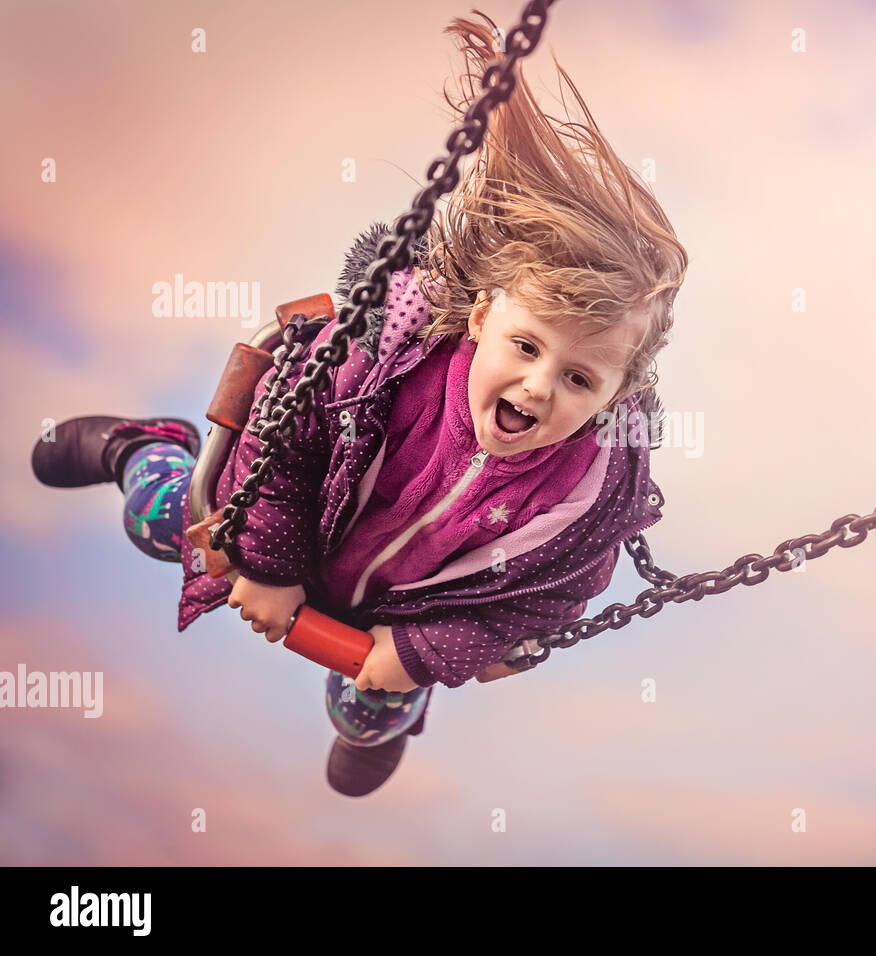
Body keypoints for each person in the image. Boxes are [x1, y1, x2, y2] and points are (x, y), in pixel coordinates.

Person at [29, 12, 687, 797]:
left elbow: (547, 595)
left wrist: (428, 652)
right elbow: (288, 438)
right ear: (480, 321)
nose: (541, 386)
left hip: (399, 614)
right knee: (161, 525)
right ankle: (140, 450)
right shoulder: (382, 364)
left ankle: (375, 732)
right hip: (281, 523)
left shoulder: (580, 498)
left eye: (581, 379)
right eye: (526, 347)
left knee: (376, 702)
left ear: (617, 397)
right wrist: (267, 567)